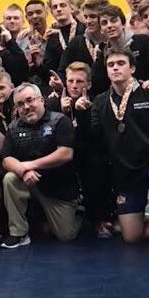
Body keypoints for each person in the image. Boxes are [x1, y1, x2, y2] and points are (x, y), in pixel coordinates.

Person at [91, 48, 149, 260]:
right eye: (110, 64)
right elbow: (96, 138)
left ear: (132, 68)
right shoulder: (99, 102)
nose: (115, 67)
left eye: (120, 63)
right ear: (106, 71)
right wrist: (79, 110)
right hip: (125, 170)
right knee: (132, 237)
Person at [0, 83, 82, 248]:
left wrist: (28, 165)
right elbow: (6, 159)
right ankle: (19, 233)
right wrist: (22, 171)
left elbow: (65, 154)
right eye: (20, 104)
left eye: (30, 100)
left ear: (42, 100)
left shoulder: (60, 121)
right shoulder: (13, 127)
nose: (26, 107)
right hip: (30, 182)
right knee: (10, 178)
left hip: (58, 190)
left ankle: (78, 213)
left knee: (66, 236)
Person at [48, 61, 113, 238]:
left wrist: (82, 114)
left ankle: (99, 217)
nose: (74, 86)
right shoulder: (54, 103)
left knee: (97, 163)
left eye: (79, 81)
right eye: (70, 81)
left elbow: (94, 137)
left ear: (88, 84)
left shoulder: (98, 103)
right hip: (63, 154)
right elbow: (50, 137)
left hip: (89, 153)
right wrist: (63, 113)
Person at [90, 4, 149, 93]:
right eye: (104, 23)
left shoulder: (142, 41)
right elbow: (97, 82)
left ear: (123, 24)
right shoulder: (102, 52)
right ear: (101, 30)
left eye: (113, 21)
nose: (109, 25)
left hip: (147, 93)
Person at [54, 0, 108, 85]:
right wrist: (58, 81)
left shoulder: (112, 42)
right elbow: (62, 71)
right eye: (86, 17)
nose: (88, 21)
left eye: (93, 16)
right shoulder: (77, 42)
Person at [42, 0, 86, 76]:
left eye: (62, 5)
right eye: (55, 7)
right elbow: (49, 68)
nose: (58, 9)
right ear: (51, 12)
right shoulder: (53, 37)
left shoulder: (84, 31)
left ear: (72, 8)